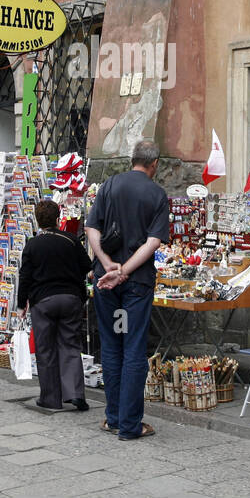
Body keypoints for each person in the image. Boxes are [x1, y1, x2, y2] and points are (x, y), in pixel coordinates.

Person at [85, 139, 169, 440]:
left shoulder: (109, 185)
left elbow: (91, 228)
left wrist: (108, 264)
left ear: (132, 159)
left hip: (107, 284)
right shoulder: (157, 194)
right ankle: (130, 425)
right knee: (133, 349)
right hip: (135, 285)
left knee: (111, 346)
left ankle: (114, 418)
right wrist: (125, 271)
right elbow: (152, 242)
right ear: (154, 163)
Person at [18, 199, 92, 412]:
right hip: (70, 299)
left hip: (43, 301)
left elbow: (25, 276)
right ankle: (75, 393)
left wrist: (21, 304)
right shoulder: (70, 240)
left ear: (37, 220)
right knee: (70, 345)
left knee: (46, 349)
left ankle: (50, 398)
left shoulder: (33, 244)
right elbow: (86, 266)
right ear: (58, 218)